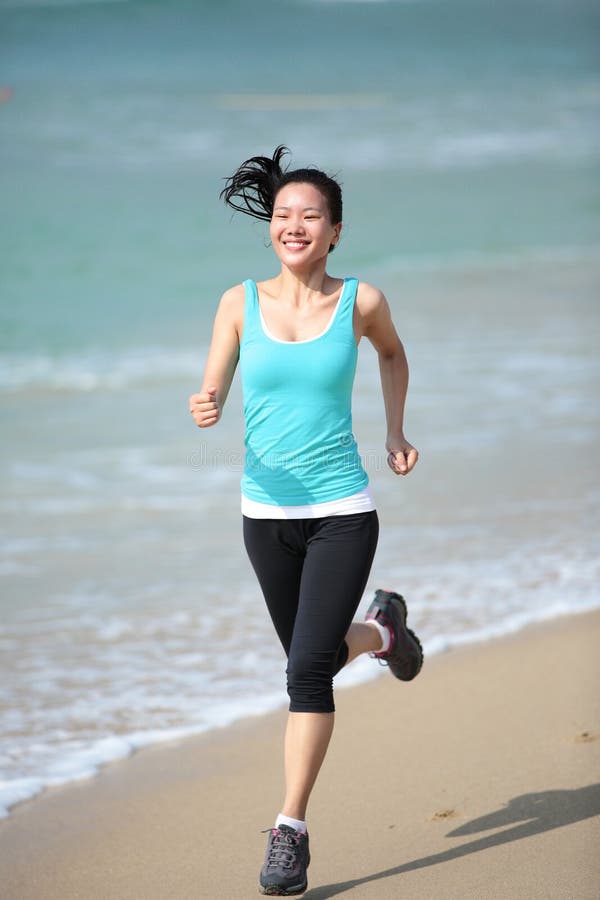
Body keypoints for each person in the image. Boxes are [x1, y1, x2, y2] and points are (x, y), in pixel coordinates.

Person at [189, 145, 423, 896]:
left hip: (343, 513)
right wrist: (207, 404)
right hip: (266, 516)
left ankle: (289, 830)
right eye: (284, 215)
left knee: (303, 673)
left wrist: (394, 431)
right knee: (310, 656)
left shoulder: (361, 302)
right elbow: (213, 385)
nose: (295, 225)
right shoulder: (236, 303)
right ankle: (385, 632)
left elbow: (393, 357)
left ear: (334, 232)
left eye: (310, 216)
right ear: (271, 229)